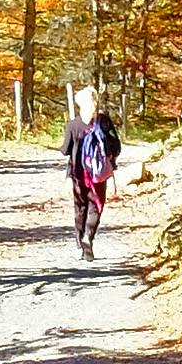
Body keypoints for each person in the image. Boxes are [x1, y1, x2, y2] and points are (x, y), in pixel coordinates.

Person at [66, 87, 122, 256]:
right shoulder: (104, 122)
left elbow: (66, 150)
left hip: (78, 173)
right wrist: (109, 159)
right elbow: (117, 147)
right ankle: (88, 237)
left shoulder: (73, 125)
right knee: (96, 206)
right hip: (99, 173)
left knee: (80, 207)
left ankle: (79, 242)